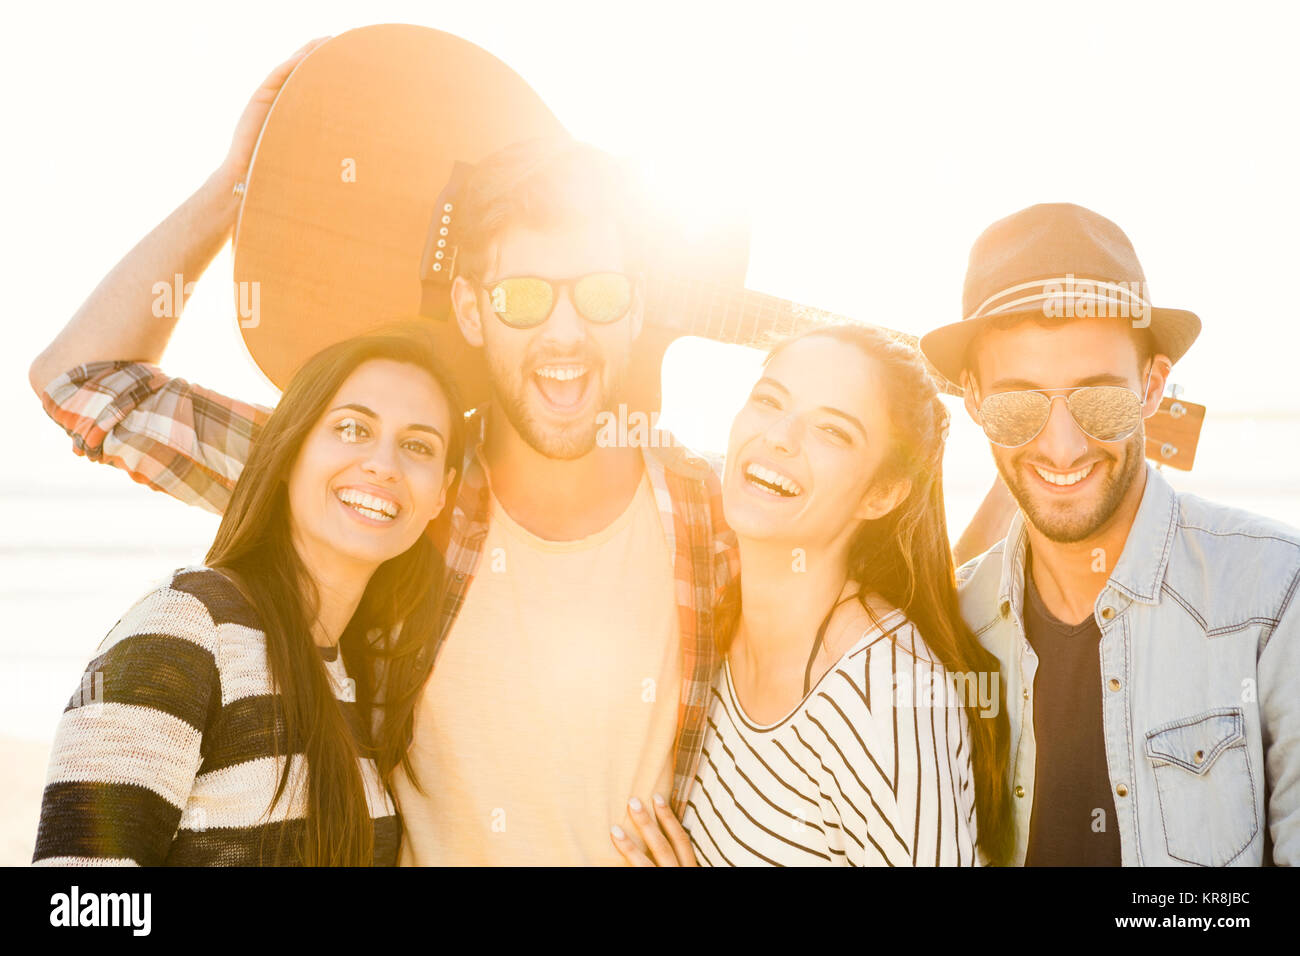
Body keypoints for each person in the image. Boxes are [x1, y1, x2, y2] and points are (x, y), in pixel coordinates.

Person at [27, 43, 736, 866]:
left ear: (635, 306)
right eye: (524, 296)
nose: (566, 331)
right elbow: (86, 384)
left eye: (600, 292)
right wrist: (231, 196)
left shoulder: (713, 518)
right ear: (471, 311)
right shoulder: (404, 484)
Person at [918, 202, 1300, 866]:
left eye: (1099, 398)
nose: (1062, 448)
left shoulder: (1275, 598)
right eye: (1016, 405)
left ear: (1152, 386)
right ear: (975, 401)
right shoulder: (947, 634)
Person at [32, 325, 464, 865]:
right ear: (289, 451)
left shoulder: (360, 685)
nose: (383, 464)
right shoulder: (188, 626)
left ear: (441, 494)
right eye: (352, 428)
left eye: (417, 445)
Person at [609, 325, 1013, 866]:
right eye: (770, 400)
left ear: (882, 493)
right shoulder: (711, 608)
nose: (780, 435)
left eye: (833, 431)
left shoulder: (888, 704)